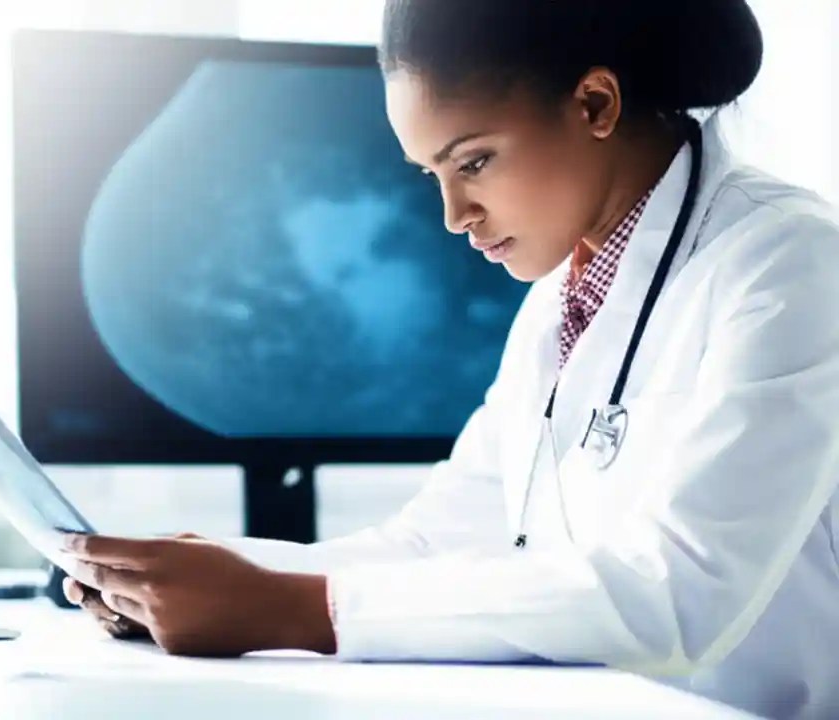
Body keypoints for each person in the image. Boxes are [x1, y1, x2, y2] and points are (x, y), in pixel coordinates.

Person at [60, 2, 839, 718]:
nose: (453, 216)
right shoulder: (559, 302)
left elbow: (678, 593)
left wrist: (296, 609)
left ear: (595, 104)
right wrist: (207, 573)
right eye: (431, 175)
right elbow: (437, 539)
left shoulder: (786, 261)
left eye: (473, 163)